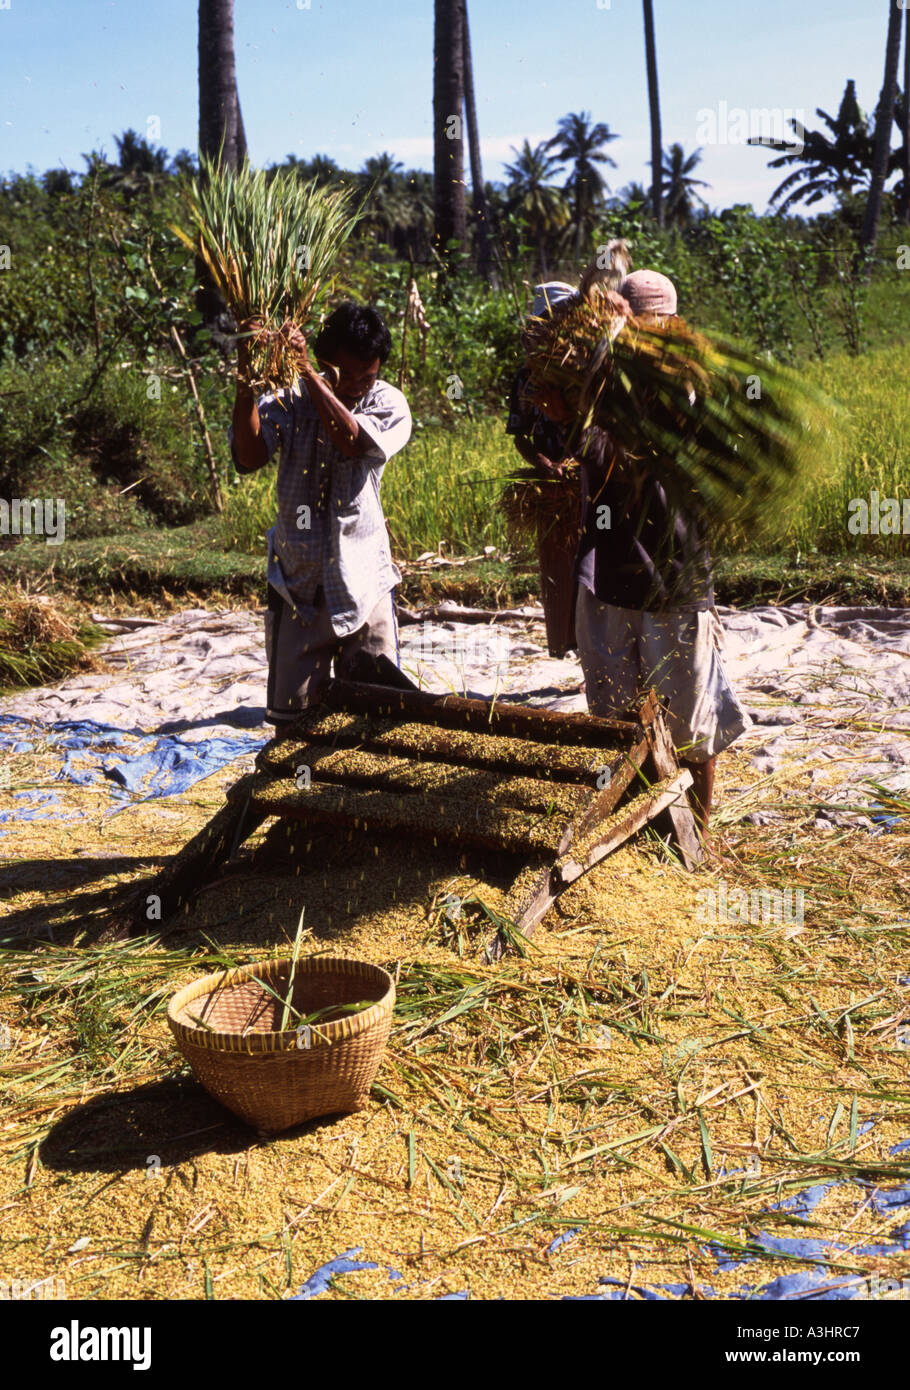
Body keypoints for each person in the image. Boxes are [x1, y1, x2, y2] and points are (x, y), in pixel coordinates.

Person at [533, 270, 750, 833]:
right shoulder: (601, 384)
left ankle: (696, 839)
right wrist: (562, 413)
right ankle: (639, 833)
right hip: (605, 576)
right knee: (616, 723)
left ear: (671, 326)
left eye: (649, 325)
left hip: (672, 579)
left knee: (688, 729)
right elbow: (581, 448)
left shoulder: (688, 381)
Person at [229, 301, 412, 729]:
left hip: (362, 584)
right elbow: (251, 456)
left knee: (375, 723)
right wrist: (246, 375)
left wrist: (309, 371)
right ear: (327, 359)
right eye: (344, 374)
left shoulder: (387, 401)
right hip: (300, 588)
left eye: (365, 375)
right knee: (294, 727)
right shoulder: (290, 399)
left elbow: (350, 439)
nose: (354, 386)